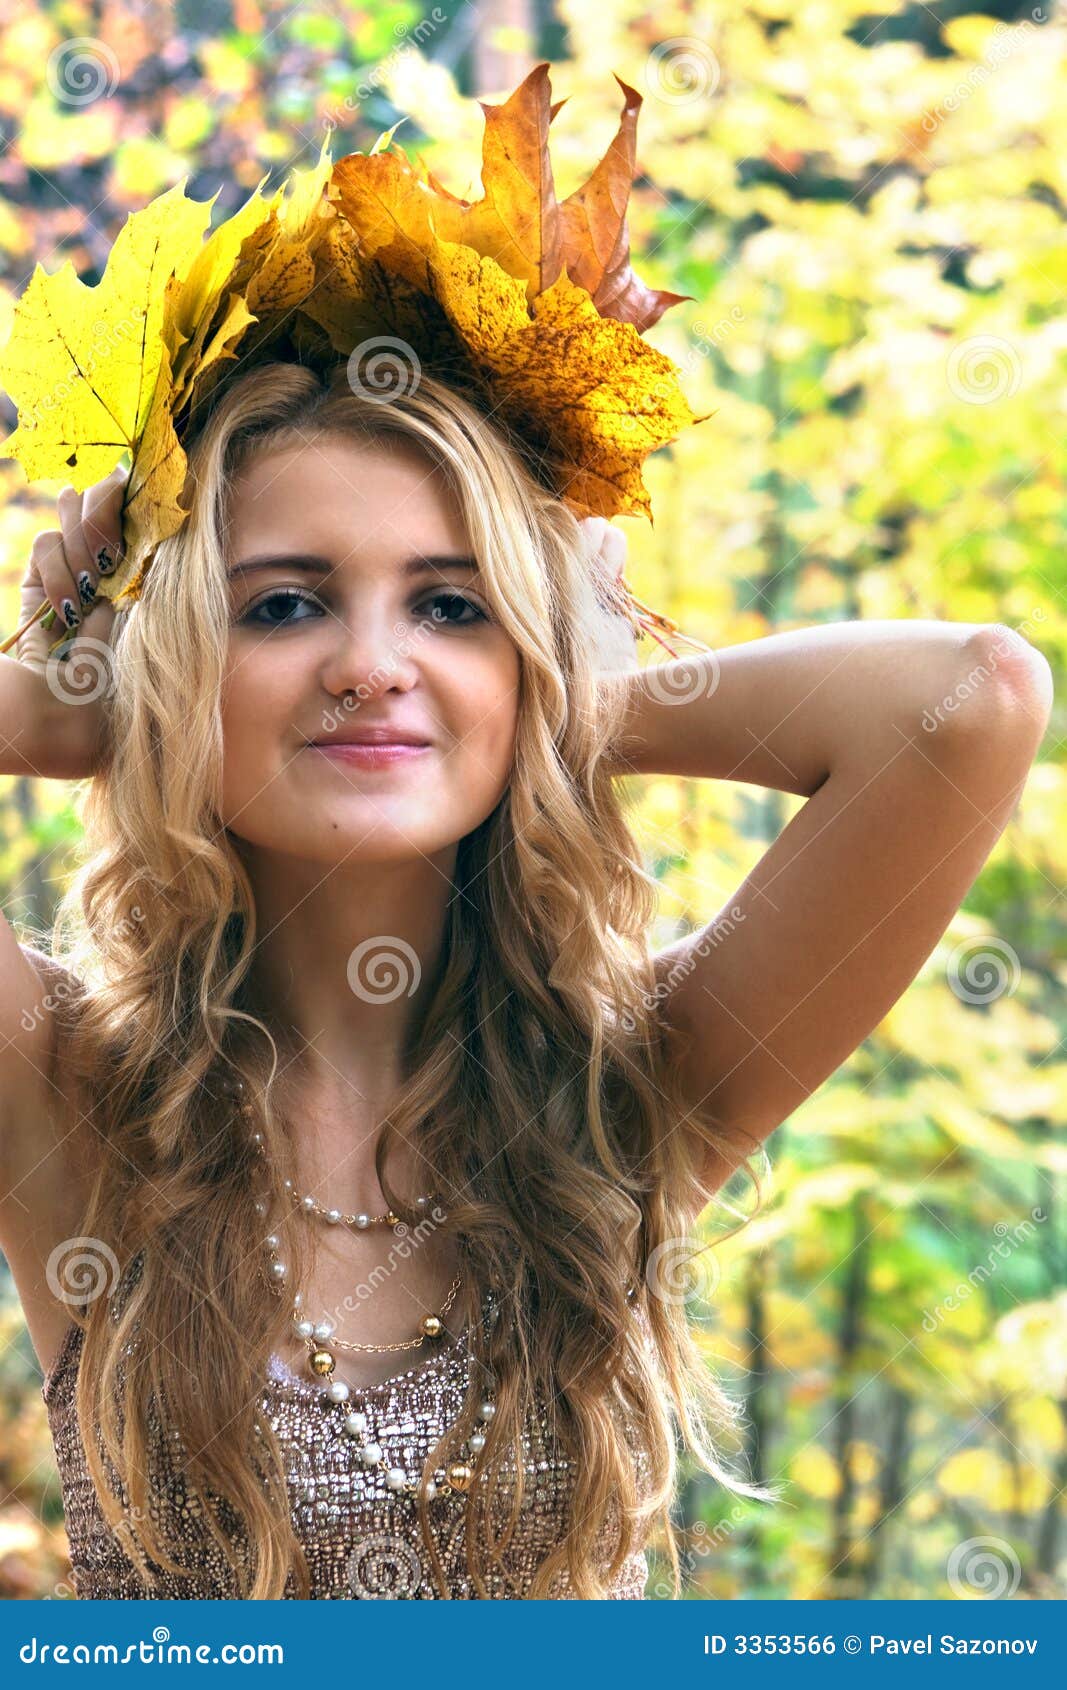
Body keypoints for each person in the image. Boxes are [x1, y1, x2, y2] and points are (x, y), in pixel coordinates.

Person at [0, 353, 1053, 1601]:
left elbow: (968, 699)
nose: (370, 665)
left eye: (451, 606)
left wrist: (562, 692)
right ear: (177, 660)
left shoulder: (632, 1086)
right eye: (284, 606)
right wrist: (73, 701)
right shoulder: (66, 1090)